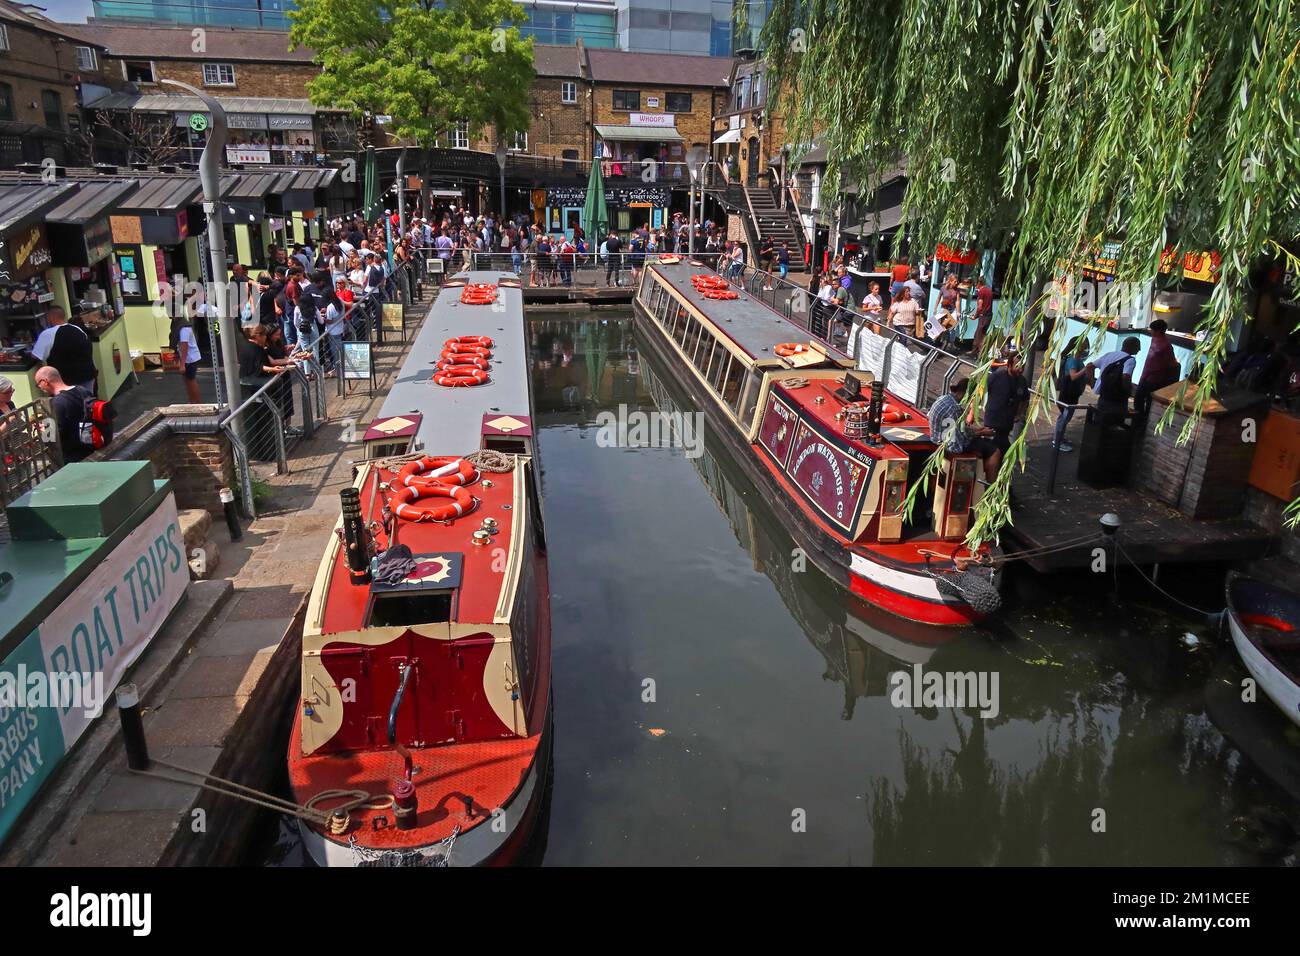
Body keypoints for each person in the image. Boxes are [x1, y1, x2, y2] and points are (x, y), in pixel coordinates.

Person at [928, 377, 1000, 480]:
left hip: (937, 438)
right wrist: (981, 433)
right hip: (948, 445)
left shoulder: (944, 398)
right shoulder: (954, 409)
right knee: (995, 452)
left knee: (982, 442)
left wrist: (979, 430)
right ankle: (990, 487)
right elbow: (959, 438)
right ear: (966, 394)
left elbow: (958, 428)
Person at [980, 348, 1030, 480]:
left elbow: (1025, 399)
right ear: (1009, 365)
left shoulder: (1022, 382)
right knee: (995, 457)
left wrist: (1019, 413)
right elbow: (980, 390)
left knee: (1004, 459)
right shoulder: (996, 377)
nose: (1021, 369)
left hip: (1006, 427)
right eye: (1018, 366)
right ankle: (991, 485)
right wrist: (973, 411)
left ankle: (999, 486)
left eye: (1023, 366)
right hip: (991, 427)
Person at [34, 366, 94, 463]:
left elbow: (52, 437)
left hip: (73, 456)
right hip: (91, 445)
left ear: (45, 381)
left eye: (38, 384)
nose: (40, 388)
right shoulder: (83, 390)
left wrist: (43, 430)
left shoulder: (55, 403)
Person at [32, 305, 96, 394]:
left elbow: (36, 356)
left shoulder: (47, 334)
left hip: (67, 380)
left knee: (69, 406)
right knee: (87, 403)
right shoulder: (77, 329)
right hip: (87, 375)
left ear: (51, 317)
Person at [1135, 319, 1180, 419]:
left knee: (1149, 402)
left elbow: (1170, 363)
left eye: (1153, 330)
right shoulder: (1154, 339)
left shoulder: (1166, 346)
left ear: (1159, 331)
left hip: (1155, 378)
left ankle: (1144, 421)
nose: (1151, 332)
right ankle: (1138, 418)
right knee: (1138, 398)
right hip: (1146, 374)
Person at [1053, 335, 1091, 452]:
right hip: (1069, 392)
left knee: (1066, 417)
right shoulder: (1073, 360)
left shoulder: (1077, 359)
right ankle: (1057, 440)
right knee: (1064, 417)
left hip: (1074, 392)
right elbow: (1073, 376)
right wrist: (1086, 369)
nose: (1086, 346)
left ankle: (1060, 438)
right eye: (1084, 344)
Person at [1091, 336, 1142, 423]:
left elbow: (1089, 366)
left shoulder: (1109, 354)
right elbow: (1126, 376)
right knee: (1115, 424)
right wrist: (1127, 391)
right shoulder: (1130, 360)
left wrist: (1092, 383)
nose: (1139, 349)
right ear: (1132, 347)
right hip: (1118, 399)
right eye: (1138, 346)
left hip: (1104, 395)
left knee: (1100, 422)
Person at [169, 314, 203, 404]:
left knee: (191, 380)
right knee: (187, 380)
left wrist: (182, 364)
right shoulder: (177, 324)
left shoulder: (184, 327)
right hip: (188, 357)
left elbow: (185, 345)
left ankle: (197, 402)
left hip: (190, 358)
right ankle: (192, 401)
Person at [972, 273, 994, 356]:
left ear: (978, 283)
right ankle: (978, 351)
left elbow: (980, 306)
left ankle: (979, 353)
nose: (975, 286)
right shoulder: (989, 290)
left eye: (975, 284)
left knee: (979, 335)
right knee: (982, 333)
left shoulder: (981, 292)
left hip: (983, 316)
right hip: (989, 316)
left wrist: (975, 316)